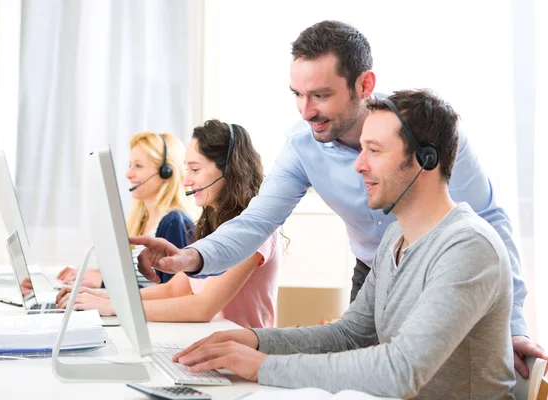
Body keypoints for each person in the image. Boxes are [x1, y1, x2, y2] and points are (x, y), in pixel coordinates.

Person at [131, 20, 546, 376]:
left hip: (437, 268)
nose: (305, 110)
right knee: (357, 366)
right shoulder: (302, 147)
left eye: (320, 95)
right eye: (297, 94)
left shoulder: (426, 138)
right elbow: (257, 223)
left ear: (364, 84)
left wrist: (514, 326)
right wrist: (194, 259)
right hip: (377, 267)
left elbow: (489, 221)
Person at [170, 89, 516, 398]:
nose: (359, 165)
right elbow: (350, 335)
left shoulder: (467, 246)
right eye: (361, 149)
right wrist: (256, 341)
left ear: (425, 160)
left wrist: (261, 366)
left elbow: (400, 371)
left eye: (374, 151)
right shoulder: (396, 237)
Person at [56, 120, 282, 328]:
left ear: (229, 171)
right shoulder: (213, 229)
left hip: (241, 357)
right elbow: (174, 288)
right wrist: (100, 296)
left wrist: (113, 307)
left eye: (195, 169)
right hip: (211, 345)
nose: (186, 180)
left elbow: (202, 307)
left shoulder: (256, 231)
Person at [56, 131, 194, 286]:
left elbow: (172, 295)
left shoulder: (175, 222)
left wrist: (102, 283)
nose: (128, 174)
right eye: (130, 165)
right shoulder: (139, 222)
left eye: (138, 166)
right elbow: (135, 282)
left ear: (166, 171)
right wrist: (88, 275)